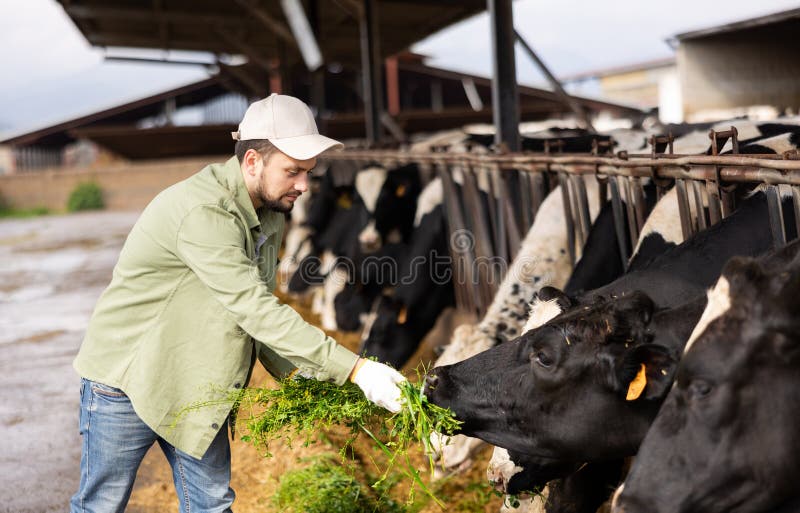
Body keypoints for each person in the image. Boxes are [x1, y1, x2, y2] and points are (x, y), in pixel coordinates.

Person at [69, 93, 406, 513]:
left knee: (212, 504)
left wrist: (302, 380)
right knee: (101, 505)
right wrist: (354, 368)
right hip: (126, 380)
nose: (304, 185)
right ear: (252, 162)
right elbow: (254, 309)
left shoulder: (270, 214)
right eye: (293, 171)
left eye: (309, 172)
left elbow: (255, 309)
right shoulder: (204, 211)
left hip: (195, 382)